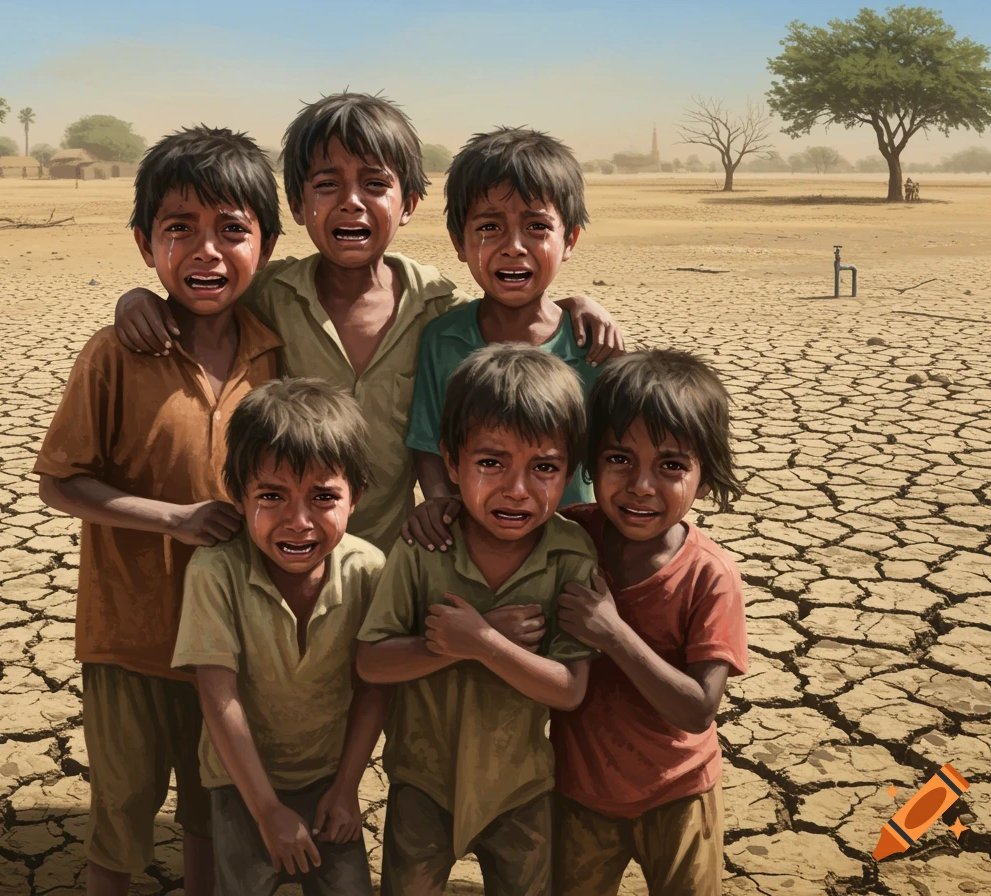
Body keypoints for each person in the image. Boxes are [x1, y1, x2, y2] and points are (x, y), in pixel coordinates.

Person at [108, 92, 626, 550]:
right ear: (296, 202)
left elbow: (508, 316)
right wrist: (137, 297)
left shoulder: (435, 309)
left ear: (408, 204)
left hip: (396, 553)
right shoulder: (268, 295)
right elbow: (206, 290)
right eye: (327, 184)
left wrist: (576, 305)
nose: (351, 202)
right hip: (290, 546)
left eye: (375, 184)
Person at [33, 126, 284, 896]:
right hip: (129, 638)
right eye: (181, 230)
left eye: (232, 231)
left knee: (214, 811)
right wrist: (171, 519)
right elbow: (60, 482)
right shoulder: (116, 351)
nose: (206, 252)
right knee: (123, 815)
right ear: (146, 243)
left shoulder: (275, 350)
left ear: (266, 248)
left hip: (231, 640)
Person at [356, 343, 599, 896]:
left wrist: (484, 642)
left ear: (569, 470)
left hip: (522, 788)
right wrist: (452, 644)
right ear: (450, 461)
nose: (517, 489)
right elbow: (371, 661)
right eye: (491, 462)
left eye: (544, 468)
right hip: (422, 782)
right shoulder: (422, 546)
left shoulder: (570, 556)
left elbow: (568, 691)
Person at [172, 378, 386, 895]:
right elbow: (216, 691)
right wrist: (266, 809)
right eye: (271, 496)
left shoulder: (368, 570)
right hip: (241, 782)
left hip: (329, 780)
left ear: (355, 497)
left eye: (323, 497)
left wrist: (346, 788)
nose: (298, 521)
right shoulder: (215, 569)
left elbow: (374, 687)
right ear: (238, 495)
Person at [550, 349, 748, 896]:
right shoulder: (570, 537)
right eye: (619, 458)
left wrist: (612, 633)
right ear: (590, 462)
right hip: (578, 797)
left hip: (680, 795)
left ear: (705, 478)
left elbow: (697, 708)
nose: (640, 485)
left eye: (671, 466)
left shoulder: (710, 577)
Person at [404, 126, 601, 555]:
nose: (514, 246)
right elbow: (427, 446)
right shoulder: (444, 338)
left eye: (536, 226)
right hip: (473, 551)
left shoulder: (590, 344)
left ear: (568, 240)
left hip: (572, 548)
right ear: (460, 241)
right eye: (490, 226)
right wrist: (443, 508)